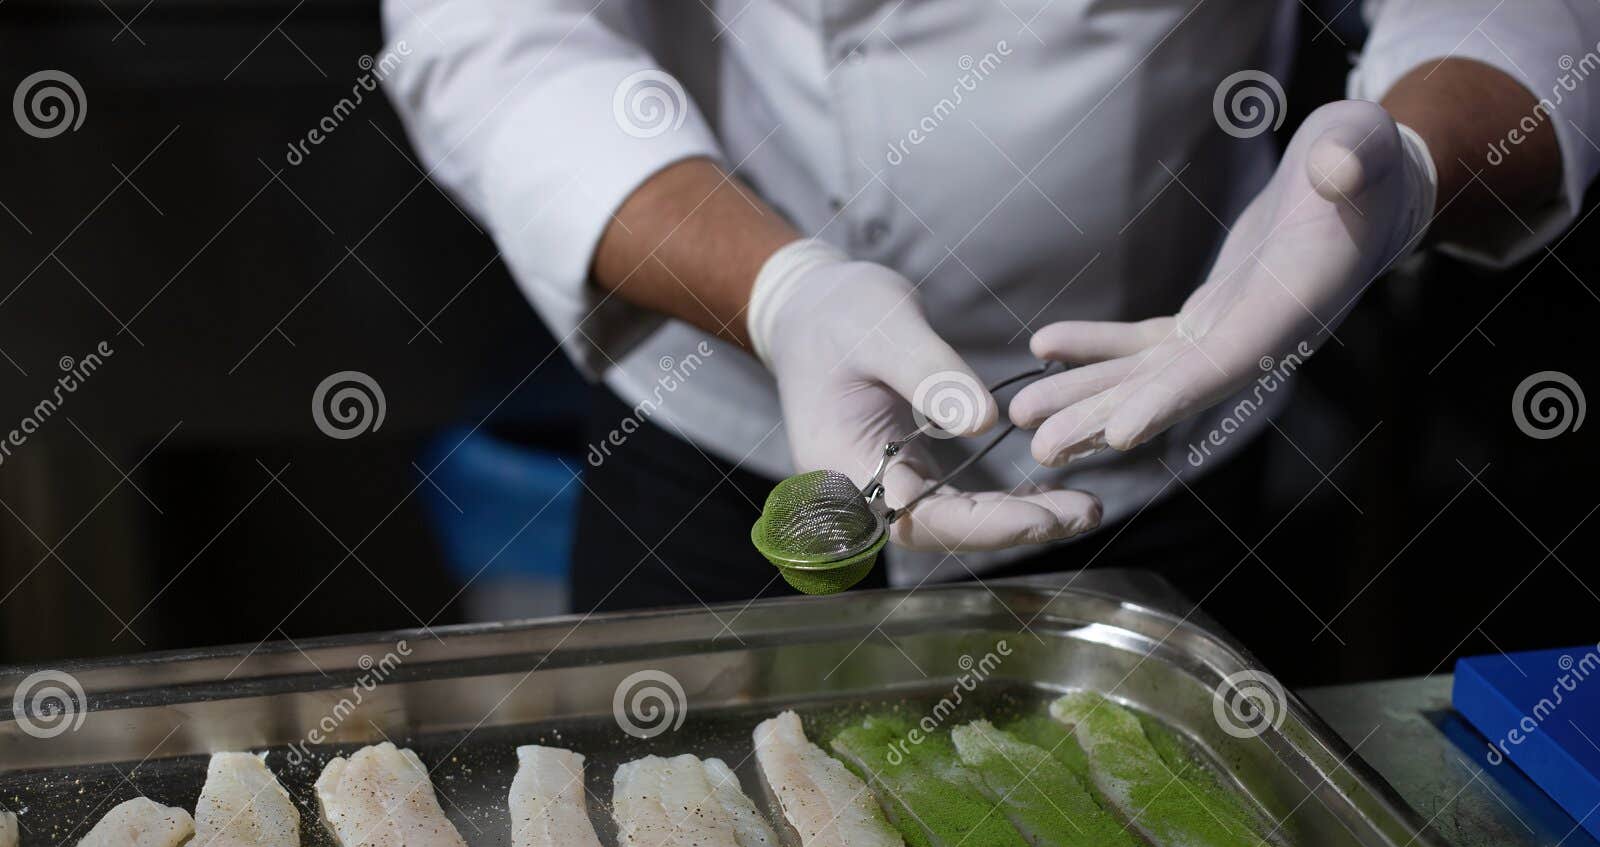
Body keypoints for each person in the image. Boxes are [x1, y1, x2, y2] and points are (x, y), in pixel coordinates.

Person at [383, 1, 1594, 612]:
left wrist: (1418, 165)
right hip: (721, 421)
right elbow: (499, 34)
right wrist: (783, 293)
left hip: (1155, 419)